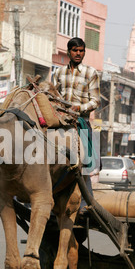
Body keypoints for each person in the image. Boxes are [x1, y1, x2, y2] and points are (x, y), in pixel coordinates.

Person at [53, 37, 100, 205]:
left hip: (80, 121)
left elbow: (95, 101)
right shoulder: (58, 73)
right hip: (59, 120)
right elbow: (52, 96)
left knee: (85, 164)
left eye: (81, 51)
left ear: (84, 52)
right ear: (68, 52)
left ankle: (87, 203)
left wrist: (78, 108)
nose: (78, 53)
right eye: (75, 50)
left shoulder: (91, 73)